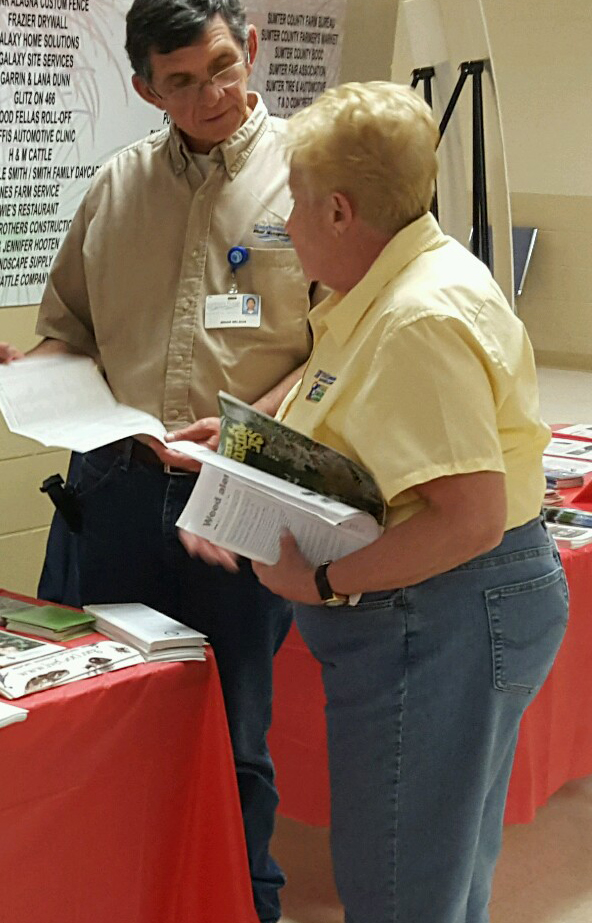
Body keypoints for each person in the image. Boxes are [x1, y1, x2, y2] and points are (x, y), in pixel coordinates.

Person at [182, 81, 570, 923]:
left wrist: (321, 586)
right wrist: (250, 441)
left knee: (403, 887)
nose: (286, 221)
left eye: (299, 202)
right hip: (445, 610)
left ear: (342, 213)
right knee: (434, 867)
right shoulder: (388, 284)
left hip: (443, 616)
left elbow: (465, 518)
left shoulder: (416, 318)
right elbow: (359, 417)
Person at [0, 0, 313, 922]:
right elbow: (70, 329)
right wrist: (35, 375)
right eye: (182, 81)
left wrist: (258, 432)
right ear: (145, 88)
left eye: (223, 66)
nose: (212, 95)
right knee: (94, 710)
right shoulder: (116, 188)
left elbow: (344, 348)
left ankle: (243, 904)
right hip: (115, 491)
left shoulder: (311, 178)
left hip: (240, 488)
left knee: (233, 731)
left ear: (249, 46)